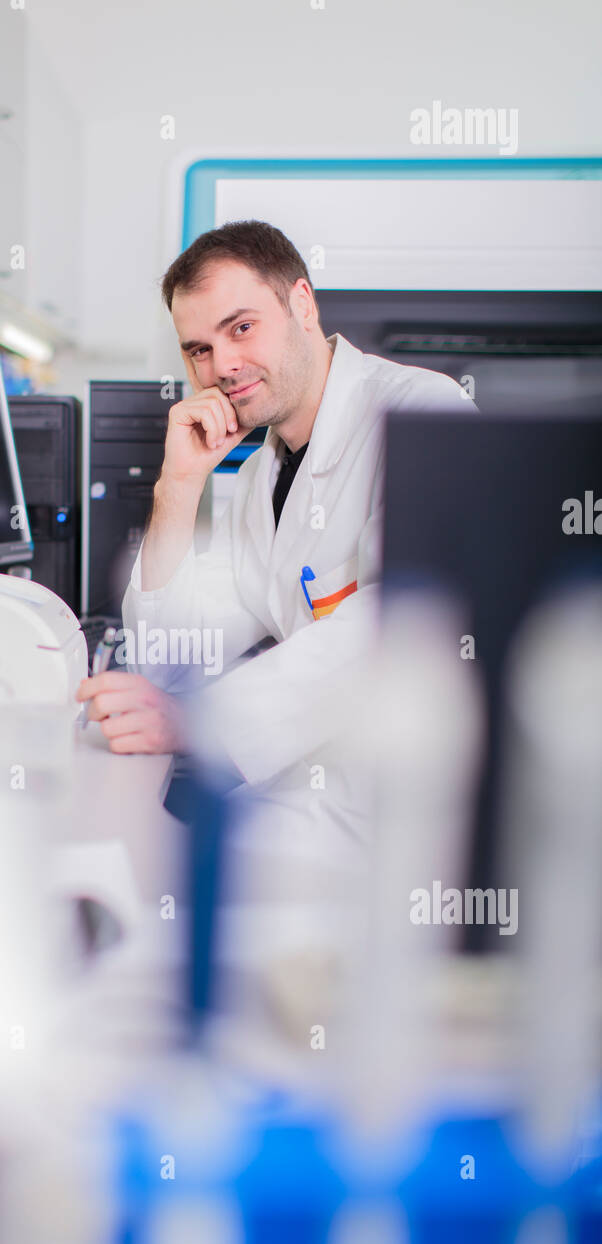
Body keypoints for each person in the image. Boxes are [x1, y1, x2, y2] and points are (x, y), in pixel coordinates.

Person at [76, 220, 475, 847]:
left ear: (302, 305)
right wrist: (177, 486)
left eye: (241, 327)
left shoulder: (423, 413)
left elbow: (400, 621)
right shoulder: (263, 471)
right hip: (309, 792)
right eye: (198, 349)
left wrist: (199, 721)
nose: (223, 366)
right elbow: (175, 657)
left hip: (395, 820)